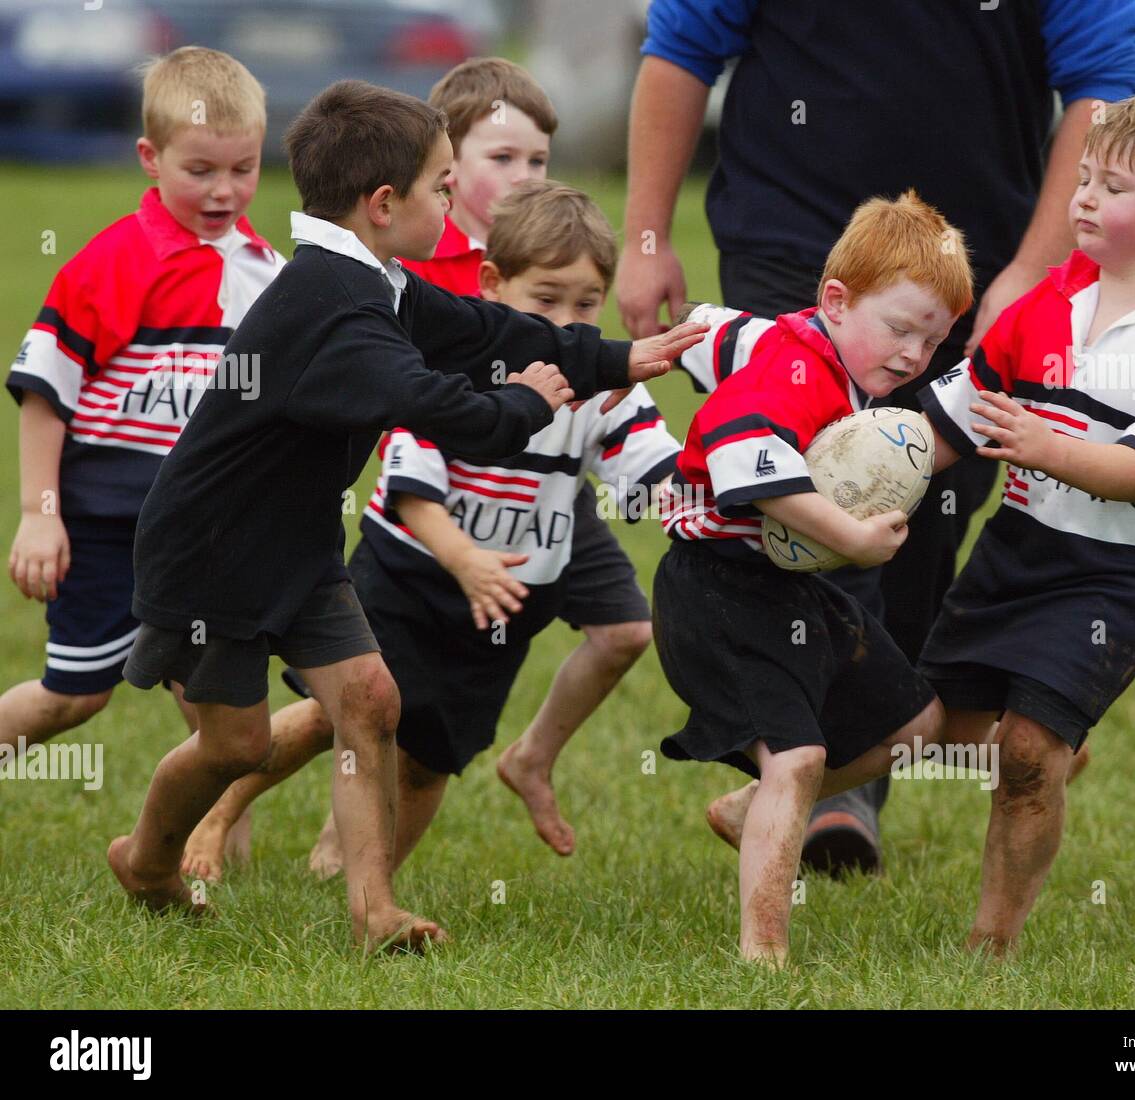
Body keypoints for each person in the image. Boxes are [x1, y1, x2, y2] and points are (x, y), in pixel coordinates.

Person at [106, 79, 705, 951]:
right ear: (383, 204)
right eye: (442, 186)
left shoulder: (373, 278)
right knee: (234, 744)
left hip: (299, 542)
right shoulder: (332, 309)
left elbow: (480, 330)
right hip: (216, 552)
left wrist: (613, 355)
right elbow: (439, 404)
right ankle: (146, 860)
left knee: (371, 701)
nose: (456, 200)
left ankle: (373, 910)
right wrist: (530, 408)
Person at [618, 0, 1135, 874]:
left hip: (973, 264)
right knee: (807, 508)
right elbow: (682, 44)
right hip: (793, 234)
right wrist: (646, 237)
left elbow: (1100, 84)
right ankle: (819, 763)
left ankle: (859, 751)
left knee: (919, 514)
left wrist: (1036, 268)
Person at [179, 181, 681, 889]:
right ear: (492, 284)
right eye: (545, 301)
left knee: (430, 758)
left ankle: (359, 879)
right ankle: (219, 811)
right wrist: (465, 558)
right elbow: (413, 492)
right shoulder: (455, 367)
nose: (568, 322)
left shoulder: (609, 386)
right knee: (336, 717)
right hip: (410, 572)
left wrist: (718, 501)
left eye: (586, 304)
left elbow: (656, 470)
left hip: (505, 601)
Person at [915, 90, 1135, 953]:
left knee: (1021, 752)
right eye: (1083, 178)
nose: (1084, 198)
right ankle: (1049, 752)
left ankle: (991, 947)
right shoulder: (1043, 303)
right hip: (1018, 548)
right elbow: (955, 420)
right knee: (932, 723)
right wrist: (859, 468)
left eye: (1114, 186)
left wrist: (1046, 446)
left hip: (1117, 575)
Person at [654, 191, 972, 964]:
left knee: (916, 726)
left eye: (932, 343)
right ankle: (763, 960)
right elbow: (746, 466)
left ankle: (746, 810)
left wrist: (682, 330)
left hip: (789, 588)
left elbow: (727, 335)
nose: (911, 356)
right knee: (795, 758)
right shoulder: (801, 367)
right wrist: (855, 539)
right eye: (899, 328)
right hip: (717, 587)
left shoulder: (811, 344)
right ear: (835, 300)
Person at [2, 47, 283, 866]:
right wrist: (37, 515)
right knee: (72, 696)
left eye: (244, 169)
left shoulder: (267, 275)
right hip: (108, 524)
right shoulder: (110, 264)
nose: (224, 191)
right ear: (151, 159)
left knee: (215, 702)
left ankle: (211, 842)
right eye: (201, 170)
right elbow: (44, 393)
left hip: (207, 532)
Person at [402, 60, 664, 858]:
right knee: (351, 705)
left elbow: (646, 453)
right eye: (501, 158)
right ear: (445, 168)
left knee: (624, 630)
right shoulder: (419, 264)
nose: (522, 176)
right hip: (444, 504)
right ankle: (228, 796)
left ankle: (532, 758)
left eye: (538, 160)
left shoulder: (561, 241)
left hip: (552, 495)